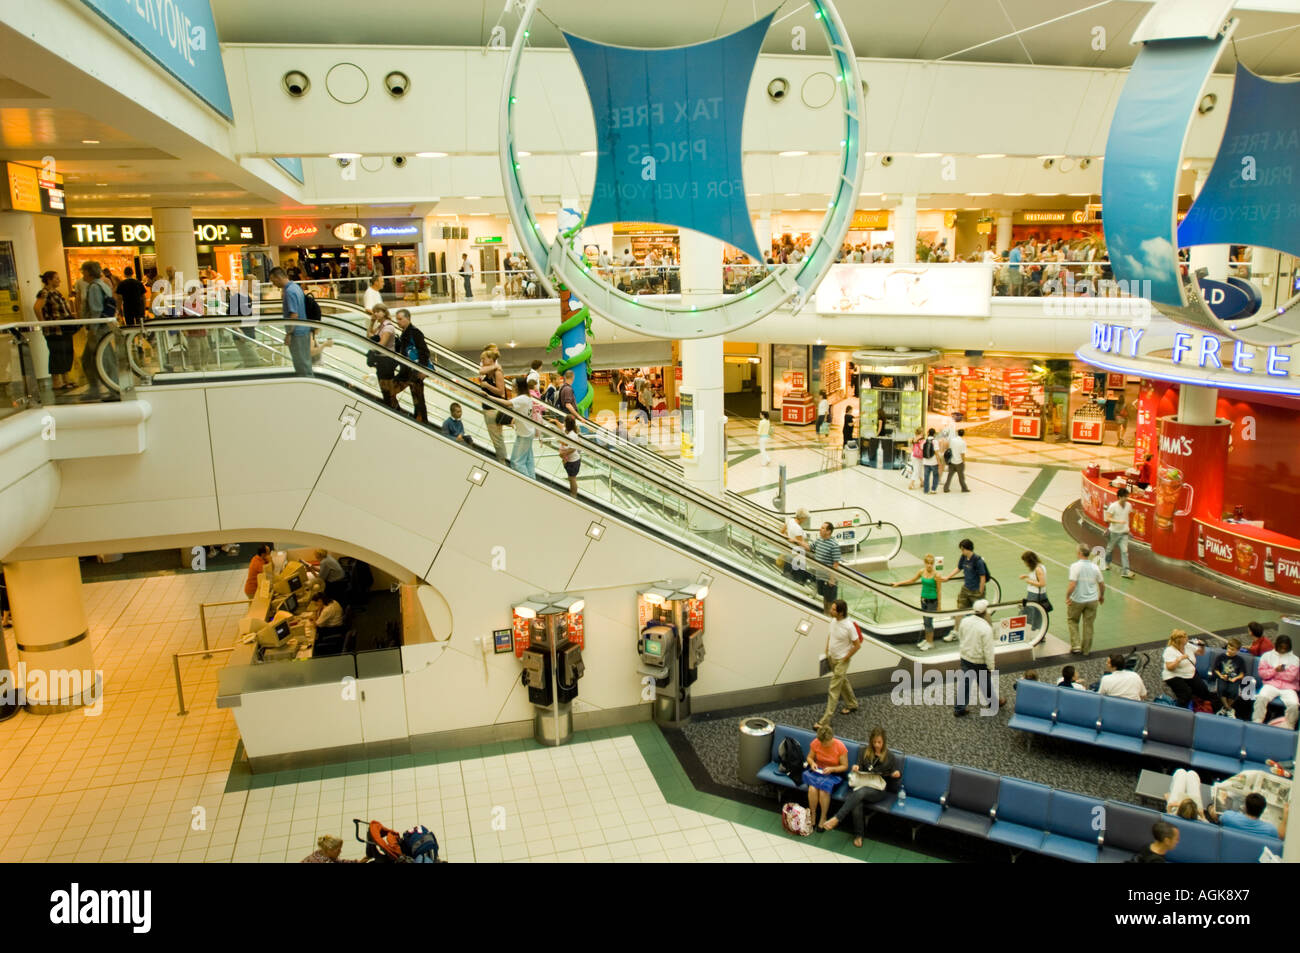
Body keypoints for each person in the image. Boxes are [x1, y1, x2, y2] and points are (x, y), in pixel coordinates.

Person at [820, 726, 901, 847]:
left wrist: (896, 774)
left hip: (878, 789)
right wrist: (856, 768)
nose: (876, 745)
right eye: (874, 742)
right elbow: (858, 766)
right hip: (863, 784)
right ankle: (859, 835)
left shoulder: (889, 756)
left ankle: (837, 818)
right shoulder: (864, 751)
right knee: (857, 800)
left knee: (859, 793)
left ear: (883, 742)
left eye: (879, 742)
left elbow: (896, 773)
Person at [816, 599, 861, 728]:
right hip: (832, 657)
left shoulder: (849, 626)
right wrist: (826, 651)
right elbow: (830, 635)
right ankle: (852, 704)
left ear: (841, 612)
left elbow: (857, 645)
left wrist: (846, 658)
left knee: (833, 689)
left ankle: (825, 720)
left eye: (834, 609)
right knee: (842, 681)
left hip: (842, 660)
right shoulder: (833, 621)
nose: (831, 611)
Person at [954, 599, 1000, 716]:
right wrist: (991, 667)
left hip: (965, 657)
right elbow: (988, 651)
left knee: (965, 683)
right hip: (979, 661)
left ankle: (959, 708)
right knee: (985, 682)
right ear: (985, 612)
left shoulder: (965, 621)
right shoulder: (986, 628)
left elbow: (961, 636)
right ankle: (993, 703)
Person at [79, 261, 119, 395]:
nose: (82, 274)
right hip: (103, 328)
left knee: (103, 359)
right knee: (91, 359)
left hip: (98, 329)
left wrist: (92, 329)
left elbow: (96, 310)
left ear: (89, 272)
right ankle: (96, 388)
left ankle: (113, 388)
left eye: (83, 271)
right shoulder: (103, 285)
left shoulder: (94, 287)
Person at [802, 723, 848, 831]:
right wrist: (812, 763)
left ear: (831, 738)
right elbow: (809, 757)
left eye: (825, 743)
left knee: (823, 790)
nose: (823, 745)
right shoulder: (816, 743)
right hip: (819, 771)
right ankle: (813, 814)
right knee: (812, 788)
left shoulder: (840, 746)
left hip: (834, 773)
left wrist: (832, 769)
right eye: (821, 743)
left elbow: (844, 766)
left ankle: (823, 817)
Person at [892, 554, 941, 651]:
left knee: (928, 622)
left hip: (932, 601)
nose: (929, 565)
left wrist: (939, 605)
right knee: (925, 621)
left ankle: (930, 642)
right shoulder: (922, 572)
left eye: (931, 563)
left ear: (933, 564)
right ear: (925, 563)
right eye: (928, 563)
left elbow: (939, 590)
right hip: (923, 599)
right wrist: (898, 583)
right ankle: (927, 640)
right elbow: (912, 580)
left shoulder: (936, 575)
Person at [36, 272, 76, 390]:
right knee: (56, 353)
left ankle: (66, 379)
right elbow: (37, 307)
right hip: (54, 330)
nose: (59, 281)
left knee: (66, 352)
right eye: (56, 279)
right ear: (49, 280)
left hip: (64, 328)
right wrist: (43, 323)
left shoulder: (56, 293)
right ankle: (56, 381)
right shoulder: (44, 293)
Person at [269, 267, 312, 377]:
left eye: (274, 281)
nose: (274, 284)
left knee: (301, 365)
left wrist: (289, 334)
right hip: (304, 330)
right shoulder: (296, 287)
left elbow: (294, 314)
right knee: (305, 362)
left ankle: (306, 386)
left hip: (297, 333)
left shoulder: (289, 292)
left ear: (278, 278)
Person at [1252, 634, 1300, 728]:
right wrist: (1275, 670)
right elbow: (1262, 674)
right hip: (1271, 685)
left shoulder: (1295, 660)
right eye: (1281, 647)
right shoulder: (1266, 656)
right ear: (1277, 645)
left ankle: (1289, 726)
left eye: (1285, 648)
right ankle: (1256, 722)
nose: (1283, 650)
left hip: (1288, 688)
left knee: (1294, 704)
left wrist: (1273, 673)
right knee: (1261, 697)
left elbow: (1291, 677)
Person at [1065, 542, 1105, 656]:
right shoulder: (1095, 567)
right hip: (1092, 600)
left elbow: (1072, 584)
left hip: (1077, 599)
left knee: (1072, 621)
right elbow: (1102, 584)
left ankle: (1076, 645)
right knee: (1088, 625)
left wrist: (1067, 597)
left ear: (1079, 553)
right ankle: (1086, 650)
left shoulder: (1075, 566)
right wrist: (1101, 596)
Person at [393, 308, 428, 424]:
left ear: (407, 319)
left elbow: (424, 351)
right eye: (397, 319)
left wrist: (422, 369)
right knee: (417, 398)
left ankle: (420, 421)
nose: (397, 321)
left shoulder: (415, 332)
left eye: (400, 319)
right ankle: (417, 420)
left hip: (413, 372)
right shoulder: (405, 333)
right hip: (407, 371)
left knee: (418, 398)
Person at [1162, 629, 1212, 708]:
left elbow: (1201, 653)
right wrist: (1179, 659)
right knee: (1186, 694)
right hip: (1174, 675)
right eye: (1185, 638)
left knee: (1203, 690)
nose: (1187, 639)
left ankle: (1204, 707)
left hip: (1189, 673)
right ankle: (1180, 710)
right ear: (1179, 641)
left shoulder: (1187, 645)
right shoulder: (1169, 651)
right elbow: (1170, 668)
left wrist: (1202, 646)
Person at [477, 344, 509, 463]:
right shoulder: (491, 371)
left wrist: (487, 386)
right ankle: (502, 460)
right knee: (496, 437)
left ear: (490, 359)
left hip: (493, 409)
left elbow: (501, 392)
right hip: (488, 408)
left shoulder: (497, 372)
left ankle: (502, 462)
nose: (482, 361)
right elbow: (481, 370)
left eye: (483, 359)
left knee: (497, 438)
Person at [943, 538, 987, 623]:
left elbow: (983, 577)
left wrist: (980, 592)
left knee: (980, 612)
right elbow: (959, 568)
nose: (961, 551)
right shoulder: (963, 557)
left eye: (962, 549)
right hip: (966, 588)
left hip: (976, 591)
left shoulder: (978, 561)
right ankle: (956, 631)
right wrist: (948, 577)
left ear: (967, 549)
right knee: (960, 610)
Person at [1207, 793, 1287, 839]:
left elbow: (1214, 815)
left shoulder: (1228, 817)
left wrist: (1211, 807)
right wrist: (1285, 816)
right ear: (1262, 811)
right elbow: (1281, 837)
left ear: (1245, 807)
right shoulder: (1270, 830)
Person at [508, 374, 539, 478]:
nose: (512, 388)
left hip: (524, 434)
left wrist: (489, 397)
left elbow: (507, 403)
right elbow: (523, 412)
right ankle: (532, 481)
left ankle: (529, 484)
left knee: (516, 462)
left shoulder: (521, 398)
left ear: (518, 386)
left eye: (513, 386)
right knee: (528, 460)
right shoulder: (527, 397)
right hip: (528, 432)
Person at [1103, 487, 1137, 579]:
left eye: (1127, 496)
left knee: (1125, 551)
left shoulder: (1129, 505)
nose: (1127, 498)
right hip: (1114, 532)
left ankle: (1126, 571)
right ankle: (1106, 563)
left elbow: (1128, 515)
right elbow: (1108, 518)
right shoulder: (1113, 506)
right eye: (1125, 496)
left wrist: (1128, 529)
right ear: (1119, 497)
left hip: (1124, 533)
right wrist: (1118, 522)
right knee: (1110, 549)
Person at [809, 522, 842, 611]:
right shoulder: (819, 540)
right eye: (821, 527)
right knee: (824, 601)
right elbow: (809, 547)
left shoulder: (834, 545)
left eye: (823, 528)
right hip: (820, 577)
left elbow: (836, 563)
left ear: (829, 531)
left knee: (830, 603)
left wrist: (832, 579)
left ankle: (829, 620)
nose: (820, 529)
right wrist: (797, 541)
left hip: (828, 580)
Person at [1213, 637, 1247, 717]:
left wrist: (1236, 678)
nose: (1229, 651)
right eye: (1228, 648)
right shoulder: (1220, 657)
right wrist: (1221, 676)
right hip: (1222, 678)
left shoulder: (1240, 660)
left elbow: (1242, 674)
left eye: (1232, 649)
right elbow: (1215, 669)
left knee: (1234, 692)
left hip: (1234, 680)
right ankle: (1229, 708)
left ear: (1237, 650)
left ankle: (1225, 708)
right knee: (1221, 689)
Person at [558, 415, 582, 497]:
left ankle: (573, 495)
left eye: (564, 422)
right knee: (571, 478)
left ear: (567, 423)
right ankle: (573, 494)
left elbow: (573, 449)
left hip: (573, 462)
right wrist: (554, 421)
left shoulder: (572, 435)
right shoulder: (569, 432)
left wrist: (563, 454)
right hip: (572, 461)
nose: (563, 423)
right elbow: (562, 427)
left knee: (572, 479)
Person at [943, 428, 969, 493]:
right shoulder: (963, 442)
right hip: (959, 462)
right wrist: (964, 462)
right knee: (961, 477)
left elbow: (949, 448)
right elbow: (962, 454)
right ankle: (964, 488)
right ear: (963, 434)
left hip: (952, 461)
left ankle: (946, 488)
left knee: (949, 476)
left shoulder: (952, 440)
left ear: (957, 433)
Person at [921, 427, 940, 495]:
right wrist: (939, 462)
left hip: (926, 462)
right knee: (935, 476)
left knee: (926, 476)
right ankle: (933, 489)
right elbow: (936, 453)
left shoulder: (924, 441)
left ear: (928, 433)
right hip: (934, 462)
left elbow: (922, 450)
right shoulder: (935, 441)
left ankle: (926, 490)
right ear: (934, 434)